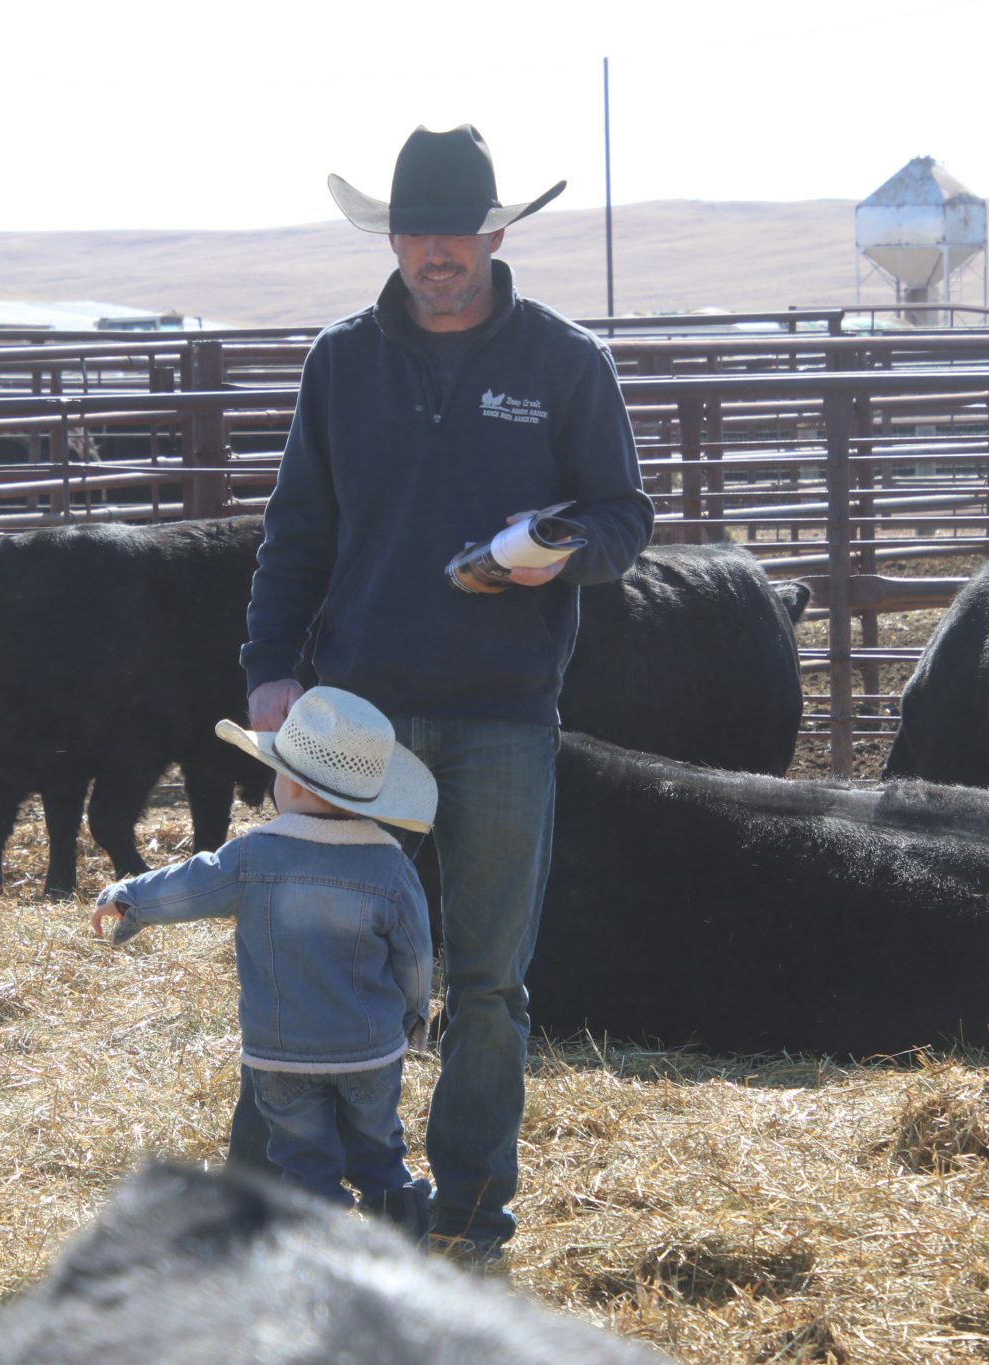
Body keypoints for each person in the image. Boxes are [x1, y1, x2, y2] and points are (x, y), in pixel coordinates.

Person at [237, 124, 655, 1258]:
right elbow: (295, 535)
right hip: (355, 710)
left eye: (458, 232)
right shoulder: (341, 363)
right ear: (390, 234)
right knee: (312, 954)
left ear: (496, 232)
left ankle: (468, 1216)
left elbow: (624, 517)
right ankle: (283, 1203)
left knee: (486, 982)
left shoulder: (564, 363)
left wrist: (553, 548)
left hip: (501, 713)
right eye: (416, 231)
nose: (437, 253)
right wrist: (271, 670)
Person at [90, 687, 438, 1237]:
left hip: (282, 1056)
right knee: (379, 1152)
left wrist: (130, 895)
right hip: (371, 1051)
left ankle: (321, 1254)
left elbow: (189, 884)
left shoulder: (253, 856)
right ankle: (404, 1242)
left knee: (304, 1165)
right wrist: (413, 1014)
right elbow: (416, 955)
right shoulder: (391, 868)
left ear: (291, 783)